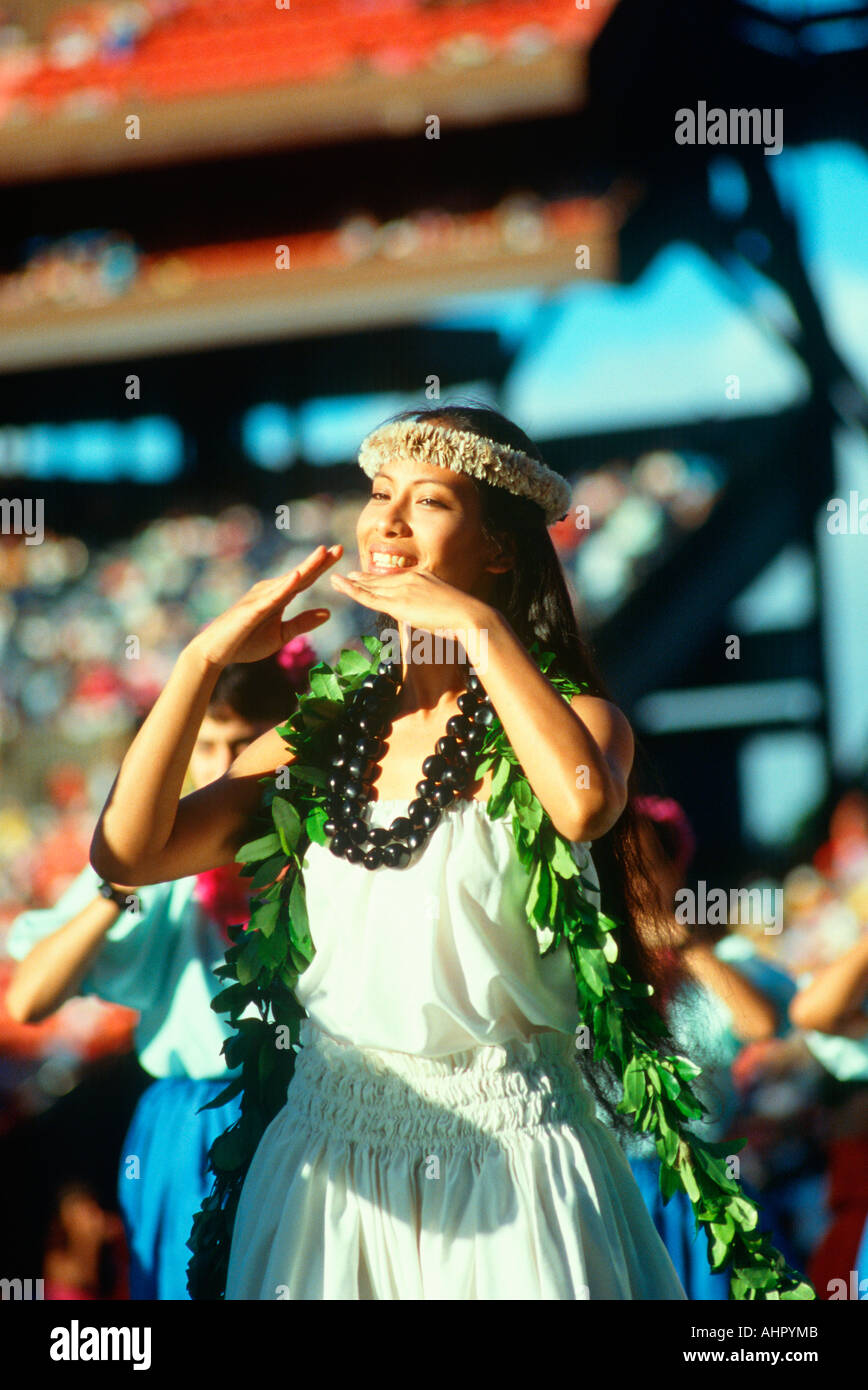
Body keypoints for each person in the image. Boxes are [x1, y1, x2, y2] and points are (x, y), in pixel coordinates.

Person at [88, 402, 770, 1300]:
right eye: (379, 494)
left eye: (431, 500)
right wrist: (201, 662)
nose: (389, 520)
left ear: (499, 549)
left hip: (515, 1164)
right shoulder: (315, 737)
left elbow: (584, 802)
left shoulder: (579, 724)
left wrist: (479, 630)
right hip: (329, 1157)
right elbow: (129, 855)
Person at [6, 640, 315, 1299]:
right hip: (194, 1127)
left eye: (245, 745)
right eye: (204, 746)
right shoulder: (161, 867)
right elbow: (31, 998)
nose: (226, 769)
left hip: (320, 1116)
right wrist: (123, 882)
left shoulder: (327, 852)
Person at [627, 796, 797, 1298]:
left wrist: (684, 941)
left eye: (645, 866)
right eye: (616, 866)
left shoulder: (717, 965)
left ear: (675, 871)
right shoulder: (574, 974)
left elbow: (760, 1023)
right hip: (614, 1193)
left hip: (703, 1203)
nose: (633, 882)